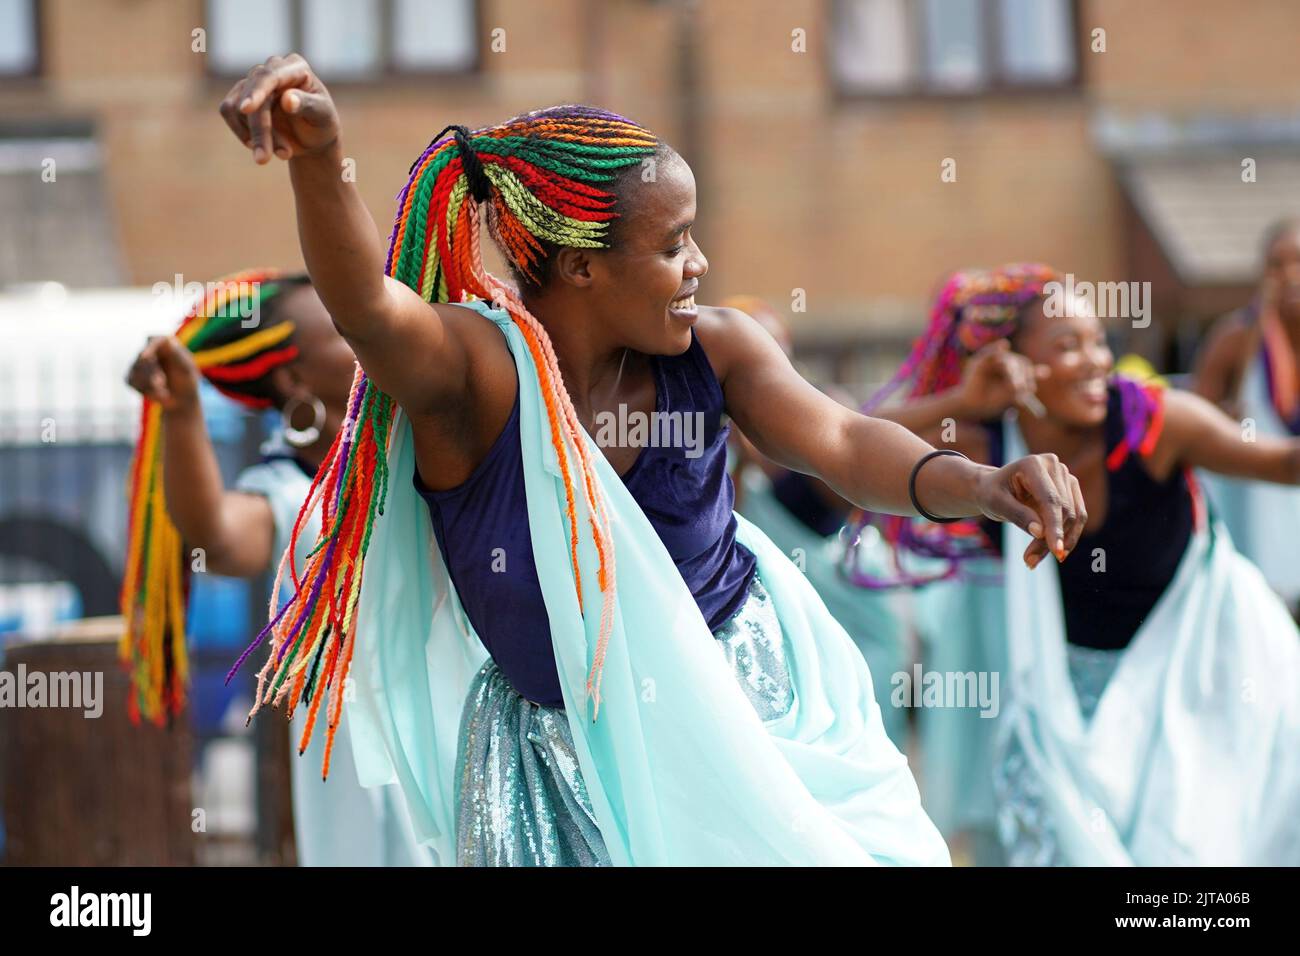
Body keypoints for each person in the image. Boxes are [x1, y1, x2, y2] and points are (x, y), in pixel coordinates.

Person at [216, 53, 1084, 866]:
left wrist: (979, 484)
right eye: (672, 245)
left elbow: (845, 441)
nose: (700, 264)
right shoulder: (476, 378)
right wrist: (321, 156)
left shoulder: (718, 351)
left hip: (751, 716)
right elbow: (367, 305)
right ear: (581, 265)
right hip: (561, 777)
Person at [876, 263, 1300, 865]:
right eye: (1067, 345)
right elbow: (848, 448)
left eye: (1099, 341)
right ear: (1012, 360)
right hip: (1067, 691)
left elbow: (1282, 464)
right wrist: (961, 399)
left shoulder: (1155, 423)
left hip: (1208, 668)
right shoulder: (984, 447)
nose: (1096, 360)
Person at [123, 271, 429, 866]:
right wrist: (183, 411)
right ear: (294, 379)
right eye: (346, 330)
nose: (374, 331)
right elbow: (214, 534)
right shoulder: (289, 497)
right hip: (361, 786)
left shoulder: (434, 444)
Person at [723, 295, 910, 749]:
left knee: (866, 743)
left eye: (768, 342)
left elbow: (858, 449)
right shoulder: (707, 432)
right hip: (774, 633)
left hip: (855, 616)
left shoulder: (822, 410)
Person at [1194, 218, 1300, 610]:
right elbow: (1194, 422)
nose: (1290, 275)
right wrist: (1226, 419)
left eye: (1299, 262)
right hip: (1257, 516)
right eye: (1277, 265)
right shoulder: (1237, 337)